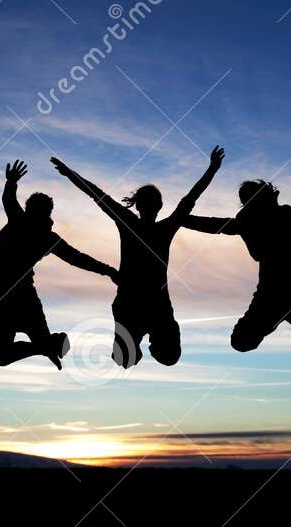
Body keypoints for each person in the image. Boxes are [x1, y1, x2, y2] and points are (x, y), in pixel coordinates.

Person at [50, 147, 224, 367]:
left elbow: (190, 198)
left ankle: (149, 341)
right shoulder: (139, 224)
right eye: (148, 203)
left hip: (152, 306)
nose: (150, 207)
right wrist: (70, 174)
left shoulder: (151, 226)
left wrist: (212, 169)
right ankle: (134, 346)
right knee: (125, 359)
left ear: (154, 206)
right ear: (147, 206)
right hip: (132, 305)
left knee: (168, 357)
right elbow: (97, 195)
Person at [183, 179, 291, 351]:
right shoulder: (248, 220)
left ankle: (289, 315)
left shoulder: (286, 215)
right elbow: (216, 225)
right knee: (240, 343)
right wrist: (184, 220)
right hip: (269, 294)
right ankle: (281, 316)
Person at [0, 160, 117, 367]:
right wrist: (46, 348)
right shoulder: (39, 232)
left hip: (16, 298)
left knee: (3, 356)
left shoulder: (29, 227)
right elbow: (77, 258)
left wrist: (11, 182)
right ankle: (48, 344)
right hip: (7, 297)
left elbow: (76, 258)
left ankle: (48, 345)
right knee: (3, 356)